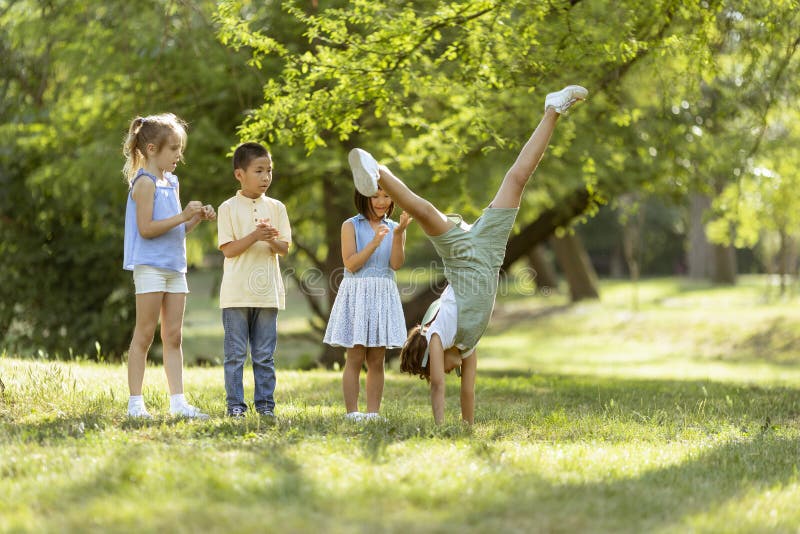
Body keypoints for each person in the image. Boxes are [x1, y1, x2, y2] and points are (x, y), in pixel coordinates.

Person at [347, 85, 588, 424]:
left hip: (461, 257)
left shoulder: (436, 335)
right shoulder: (468, 344)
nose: (443, 374)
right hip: (489, 252)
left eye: (437, 371)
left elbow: (438, 390)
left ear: (433, 361)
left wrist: (441, 427)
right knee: (518, 179)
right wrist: (467, 428)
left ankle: (379, 171)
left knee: (425, 212)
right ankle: (553, 110)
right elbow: (468, 392)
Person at [122, 113, 216, 419]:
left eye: (180, 148)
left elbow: (175, 230)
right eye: (173, 148)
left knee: (173, 336)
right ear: (152, 149)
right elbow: (147, 228)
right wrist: (181, 215)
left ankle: (179, 402)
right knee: (145, 334)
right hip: (150, 266)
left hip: (176, 268)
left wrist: (194, 219)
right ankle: (136, 403)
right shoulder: (144, 182)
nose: (179, 155)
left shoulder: (172, 181)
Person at [323, 183, 412, 421]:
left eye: (386, 196)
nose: (382, 201)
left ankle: (373, 413)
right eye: (375, 196)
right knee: (355, 355)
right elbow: (351, 264)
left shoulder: (394, 227)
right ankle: (352, 412)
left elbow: (396, 264)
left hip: (383, 294)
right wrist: (373, 242)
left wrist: (399, 234)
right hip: (358, 293)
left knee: (377, 358)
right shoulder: (350, 225)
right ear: (364, 197)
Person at [217, 142, 291, 418]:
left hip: (267, 293)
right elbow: (228, 249)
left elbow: (284, 248)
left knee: (264, 356)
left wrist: (271, 239)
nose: (266, 177)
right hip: (236, 293)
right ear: (240, 174)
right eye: (259, 171)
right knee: (235, 355)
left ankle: (265, 406)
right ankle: (235, 404)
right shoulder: (227, 208)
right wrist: (254, 236)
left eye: (269, 170)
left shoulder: (277, 207)